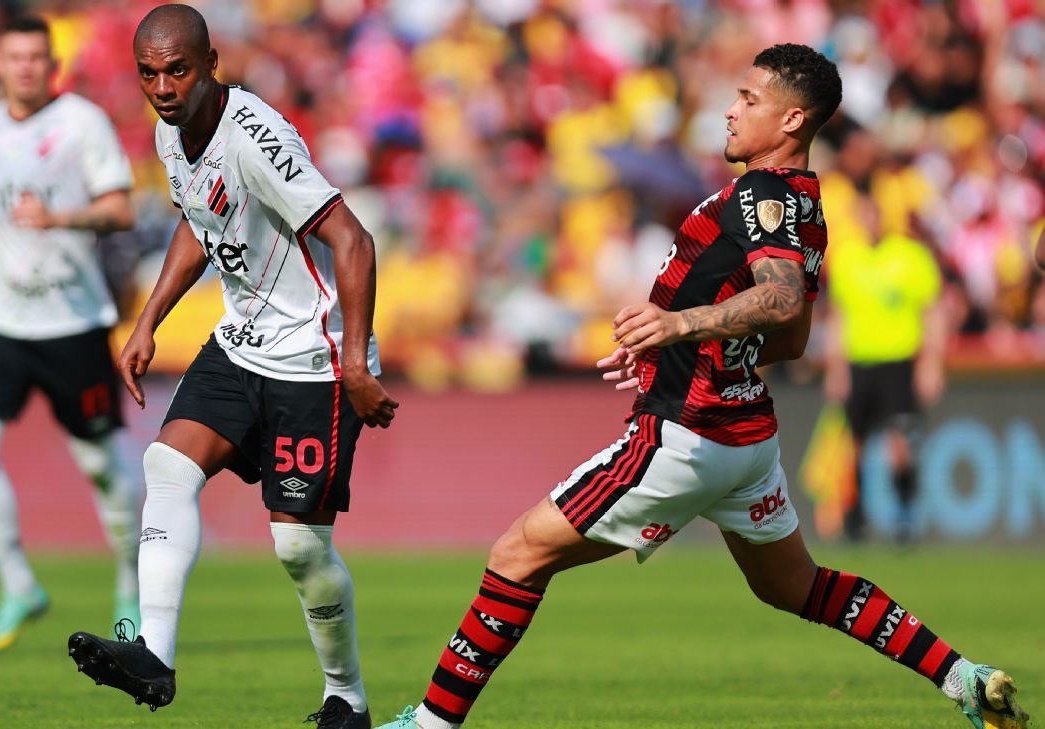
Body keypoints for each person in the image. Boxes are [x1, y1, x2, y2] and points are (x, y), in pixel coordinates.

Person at [376, 44, 1028, 729]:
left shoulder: (762, 194)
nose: (730, 110)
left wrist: (676, 324)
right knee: (796, 586)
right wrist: (673, 346)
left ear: (791, 119)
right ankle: (963, 678)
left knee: (517, 554)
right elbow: (792, 339)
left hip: (686, 435)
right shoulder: (806, 203)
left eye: (749, 99)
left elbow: (779, 300)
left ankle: (429, 725)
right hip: (745, 439)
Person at [66, 6, 396, 728]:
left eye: (177, 71)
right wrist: (148, 319)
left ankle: (346, 698)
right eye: (148, 73)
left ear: (211, 64)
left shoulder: (256, 139)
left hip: (312, 354)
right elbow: (198, 218)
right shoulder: (172, 130)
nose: (162, 87)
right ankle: (152, 654)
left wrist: (354, 363)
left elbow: (354, 240)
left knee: (298, 547)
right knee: (166, 464)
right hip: (242, 341)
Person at [0, 15, 140, 655]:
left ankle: (131, 590)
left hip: (72, 321)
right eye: (14, 57)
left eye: (35, 57)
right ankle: (19, 586)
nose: (25, 67)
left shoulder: (82, 122)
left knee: (100, 465)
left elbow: (120, 209)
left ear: (52, 65)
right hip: (1, 318)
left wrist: (59, 219)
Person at [824, 197, 945, 543]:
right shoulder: (847, 258)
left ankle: (904, 515)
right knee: (854, 445)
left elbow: (932, 311)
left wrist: (932, 362)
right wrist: (836, 369)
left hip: (899, 361)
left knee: (900, 443)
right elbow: (838, 316)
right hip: (859, 362)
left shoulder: (910, 255)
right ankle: (855, 518)